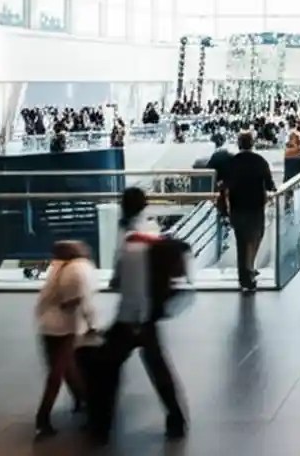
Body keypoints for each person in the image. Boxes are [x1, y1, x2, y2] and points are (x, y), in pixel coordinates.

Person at [99, 187, 188, 443]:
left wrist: (137, 320)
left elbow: (131, 280)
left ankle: (102, 423)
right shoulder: (148, 231)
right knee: (157, 367)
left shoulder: (132, 239)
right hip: (144, 315)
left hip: (133, 316)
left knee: (109, 366)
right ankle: (176, 418)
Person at [34, 240, 96, 438]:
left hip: (46, 326)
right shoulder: (79, 269)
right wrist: (91, 324)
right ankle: (42, 419)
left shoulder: (57, 267)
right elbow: (77, 300)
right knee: (58, 373)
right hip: (64, 327)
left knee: (67, 367)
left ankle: (82, 399)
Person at [221, 130, 276, 291]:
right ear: (252, 143)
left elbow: (225, 184)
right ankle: (249, 269)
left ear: (239, 144)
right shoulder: (260, 161)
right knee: (255, 236)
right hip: (255, 206)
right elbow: (270, 184)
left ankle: (245, 276)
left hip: (237, 206)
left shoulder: (232, 162)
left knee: (241, 241)